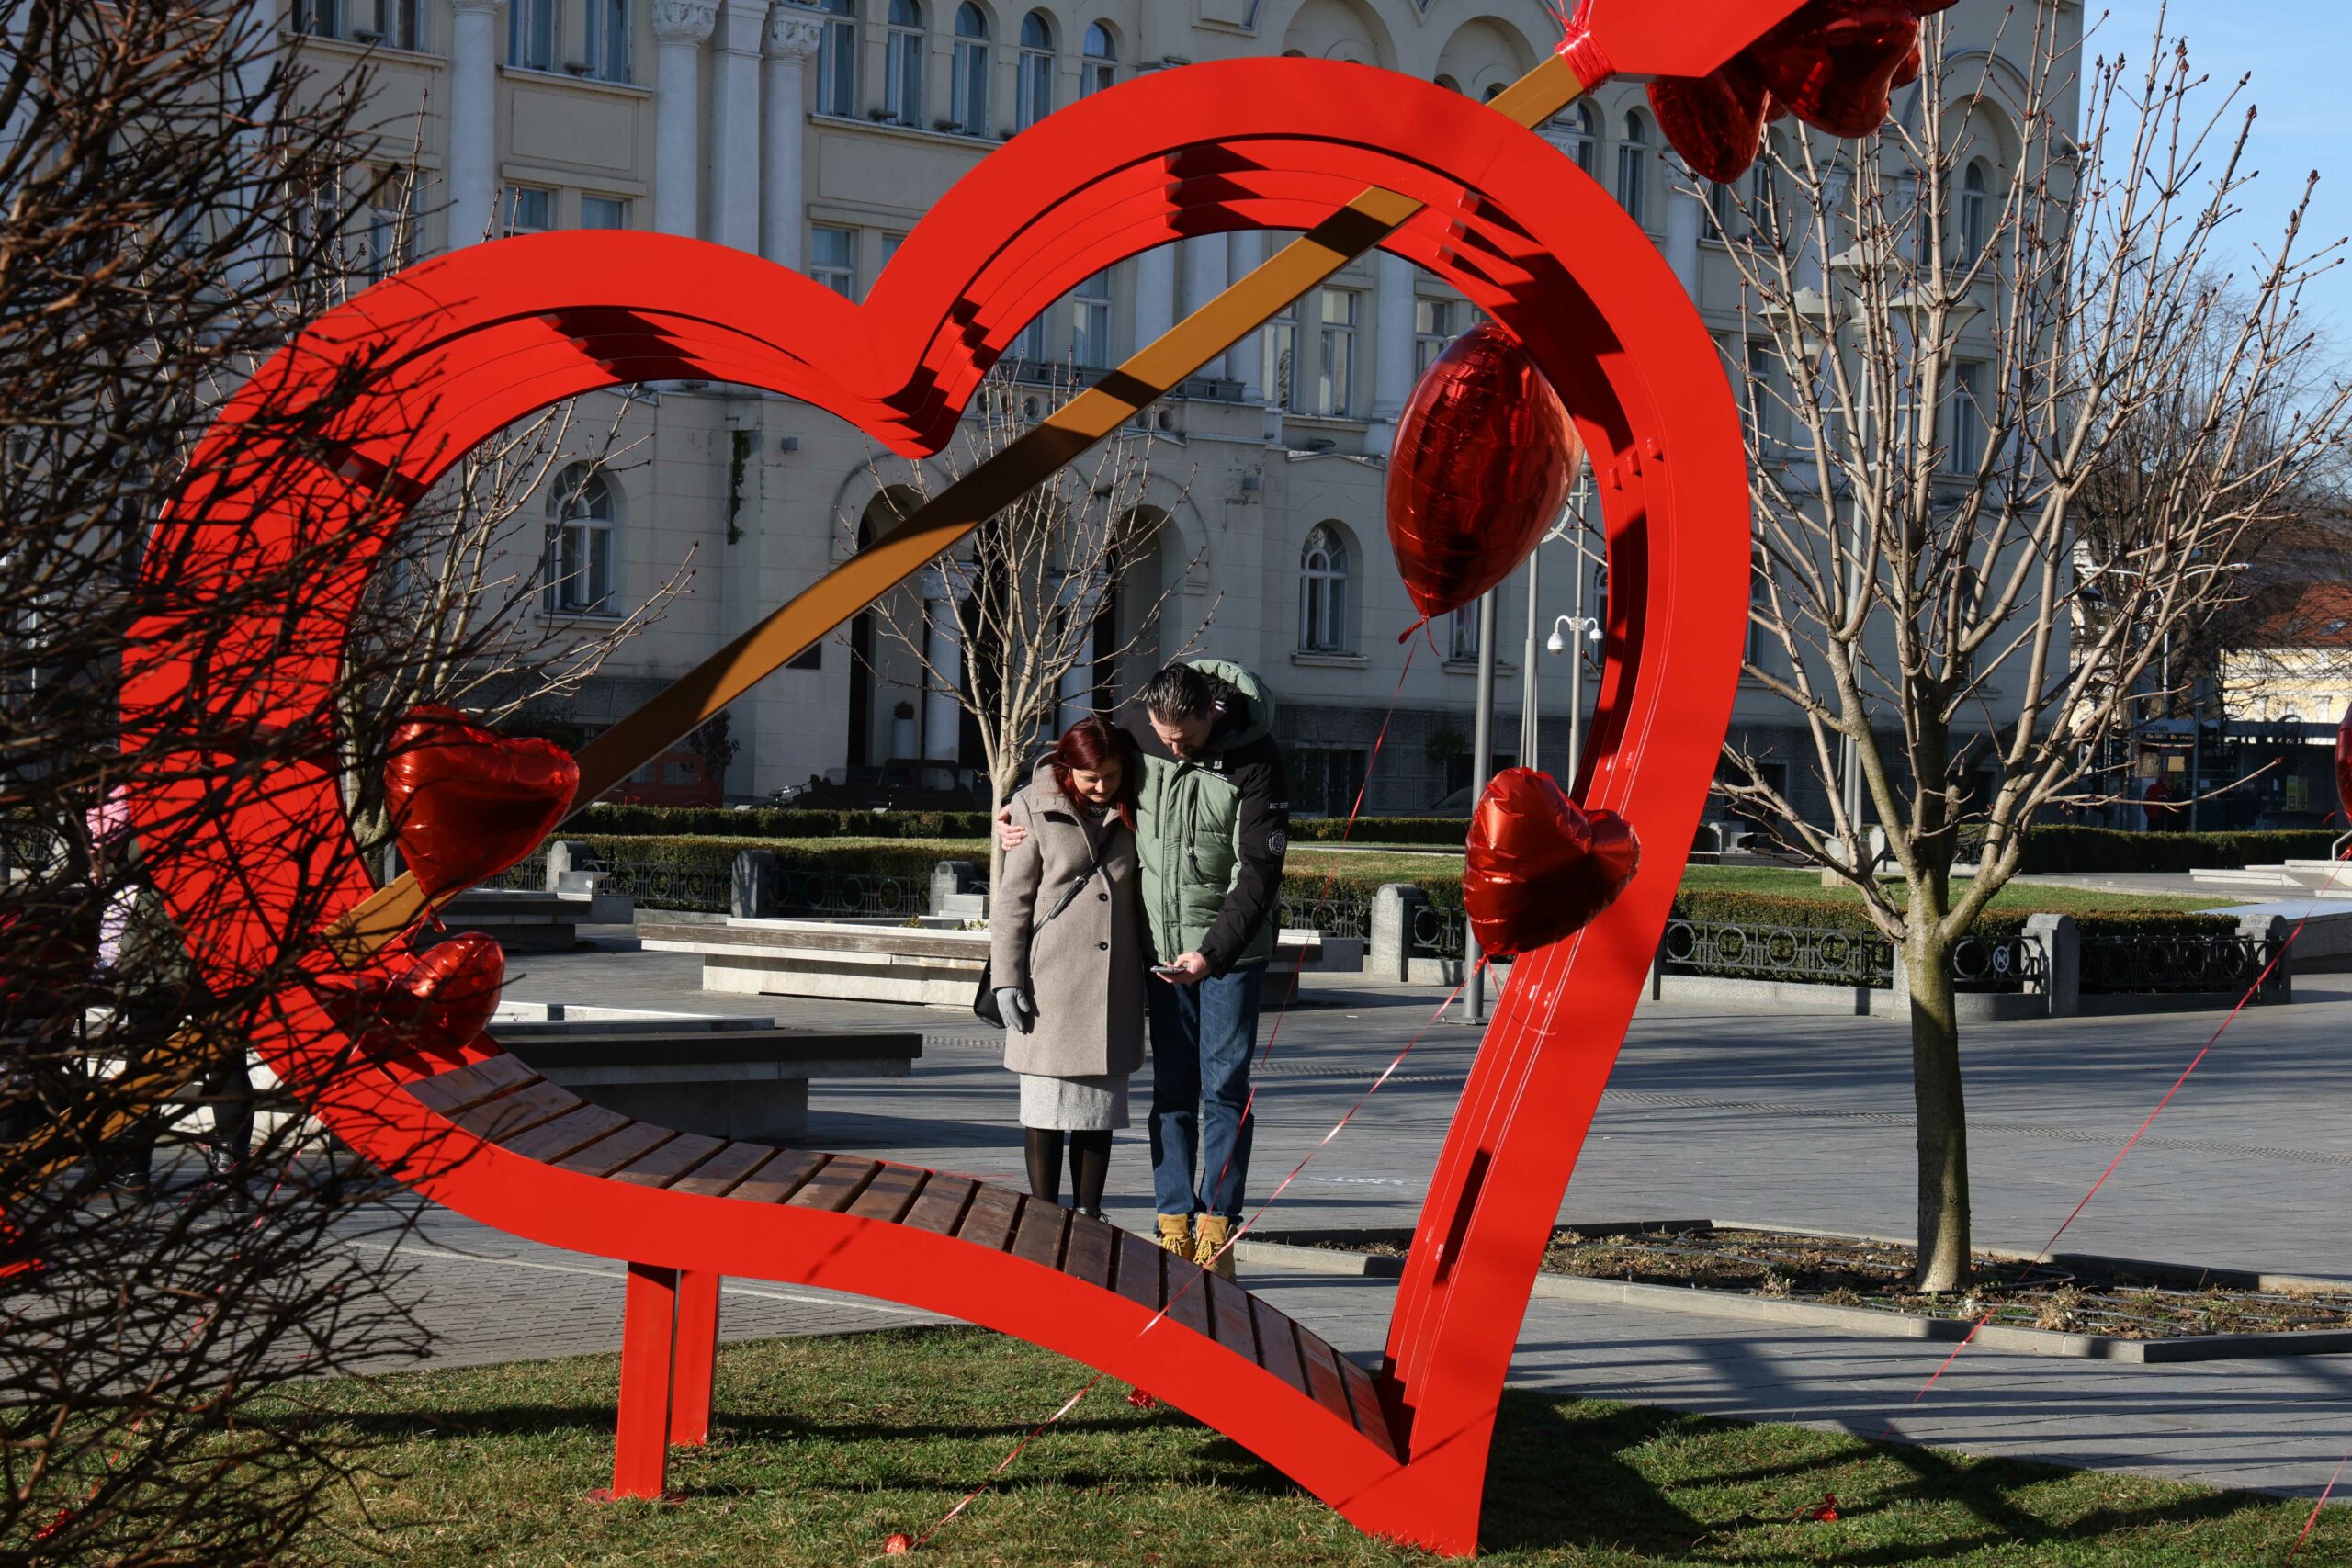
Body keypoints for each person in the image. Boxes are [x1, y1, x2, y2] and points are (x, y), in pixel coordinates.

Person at [1000, 660, 1289, 1279]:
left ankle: (1217, 1229)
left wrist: (1211, 953)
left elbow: (1259, 873)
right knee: (1172, 1091)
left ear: (1210, 713)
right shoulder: (1136, 728)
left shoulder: (1256, 757)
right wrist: (1020, 805)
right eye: (1164, 737)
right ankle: (1172, 1223)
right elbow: (1079, 757)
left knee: (1224, 1088)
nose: (1174, 748)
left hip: (1230, 954)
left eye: (1186, 737)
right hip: (1162, 950)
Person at [989, 716, 1148, 1222]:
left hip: (1112, 984)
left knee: (1098, 1110)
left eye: (1111, 776)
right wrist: (1006, 979)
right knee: (1044, 1106)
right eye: (1090, 778)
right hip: (1050, 983)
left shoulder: (1140, 803)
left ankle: (1090, 1215)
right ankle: (1043, 1218)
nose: (1102, 787)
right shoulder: (1031, 808)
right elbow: (1012, 900)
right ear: (1067, 769)